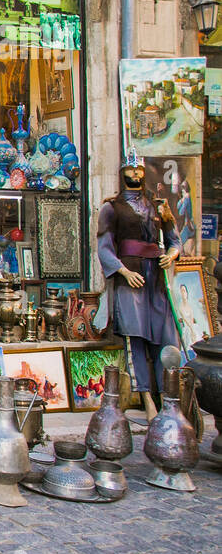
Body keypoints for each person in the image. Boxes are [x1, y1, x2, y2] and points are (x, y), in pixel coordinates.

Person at [97, 148, 181, 420]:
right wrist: (122, 270)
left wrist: (171, 254)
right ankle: (147, 400)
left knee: (164, 337)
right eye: (130, 169)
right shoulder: (112, 208)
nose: (135, 174)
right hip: (129, 276)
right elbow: (105, 246)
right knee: (136, 338)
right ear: (123, 173)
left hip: (154, 277)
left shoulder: (158, 206)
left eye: (139, 169)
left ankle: (168, 398)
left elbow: (174, 239)